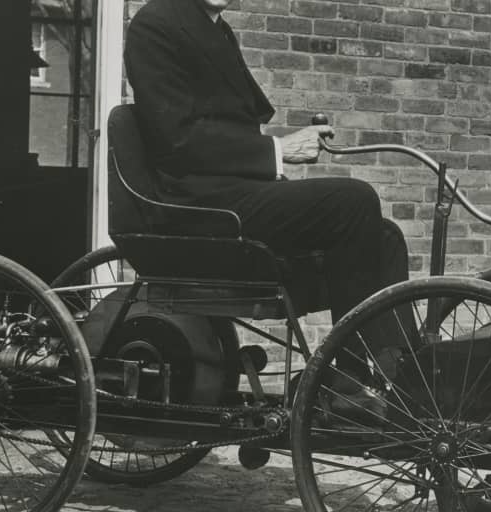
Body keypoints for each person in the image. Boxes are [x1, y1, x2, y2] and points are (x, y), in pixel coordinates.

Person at [124, 0, 412, 415]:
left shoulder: (216, 29)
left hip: (232, 194)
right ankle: (344, 383)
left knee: (385, 237)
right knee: (354, 199)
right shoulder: (156, 23)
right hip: (197, 207)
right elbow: (176, 141)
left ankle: (403, 372)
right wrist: (277, 151)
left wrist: (270, 167)